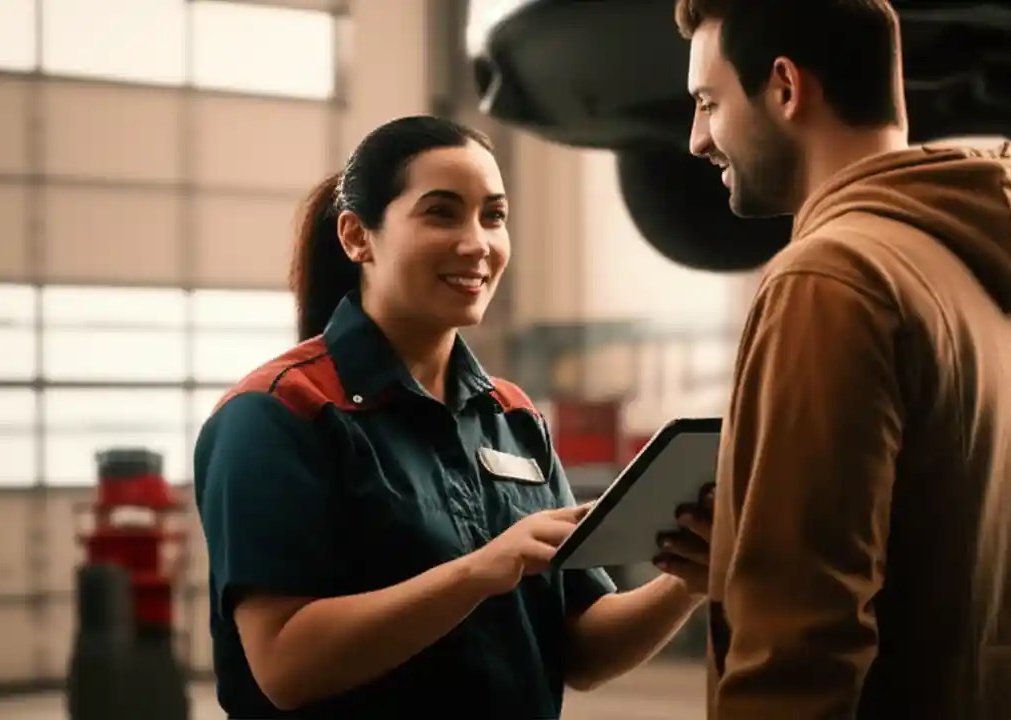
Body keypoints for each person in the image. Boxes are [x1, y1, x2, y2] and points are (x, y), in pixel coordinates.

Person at [192, 115, 713, 719]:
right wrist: (483, 570)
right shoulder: (278, 414)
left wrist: (687, 582)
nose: (477, 243)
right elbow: (285, 663)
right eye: (442, 213)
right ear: (358, 236)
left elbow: (583, 651)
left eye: (493, 216)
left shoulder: (513, 418)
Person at [676, 1, 1011, 719]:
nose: (697, 139)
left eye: (709, 103)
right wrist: (742, 562)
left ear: (786, 88)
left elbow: (801, 646)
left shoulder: (830, 280)